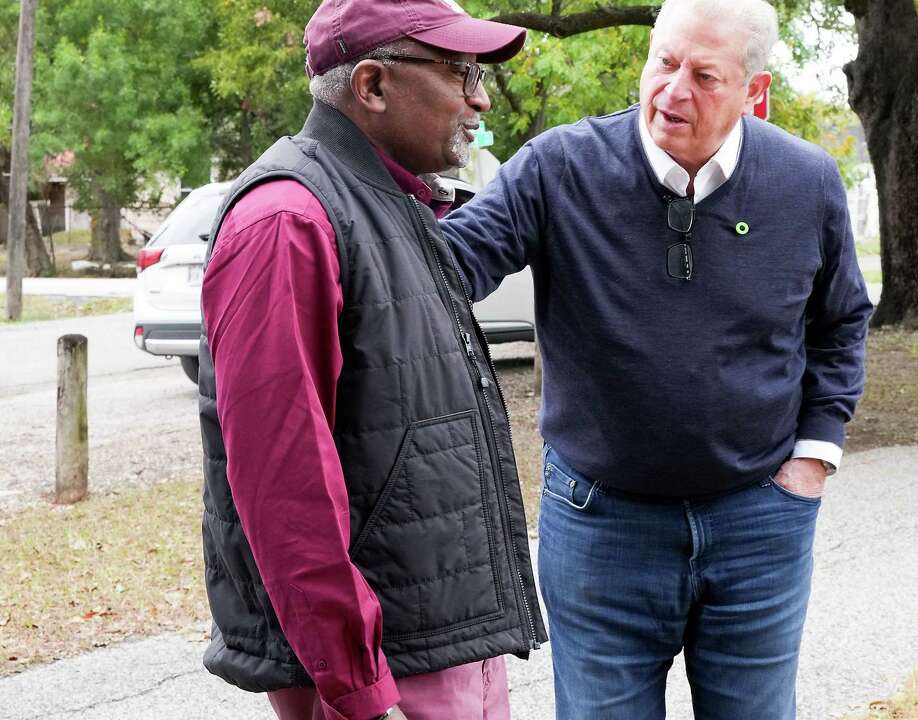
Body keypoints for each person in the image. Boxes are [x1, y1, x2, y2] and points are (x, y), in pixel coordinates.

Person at [440, 0, 873, 716]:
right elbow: (446, 269)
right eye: (664, 62)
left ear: (752, 94)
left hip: (760, 522)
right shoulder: (560, 167)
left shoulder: (807, 182)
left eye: (705, 76)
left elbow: (841, 317)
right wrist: (354, 201)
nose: (673, 92)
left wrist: (814, 456)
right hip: (601, 525)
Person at [197, 2, 545, 719]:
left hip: (432, 640)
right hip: (381, 671)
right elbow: (284, 484)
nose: (479, 97)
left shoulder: (392, 201)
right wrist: (356, 686)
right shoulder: (288, 220)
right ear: (372, 85)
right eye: (461, 72)